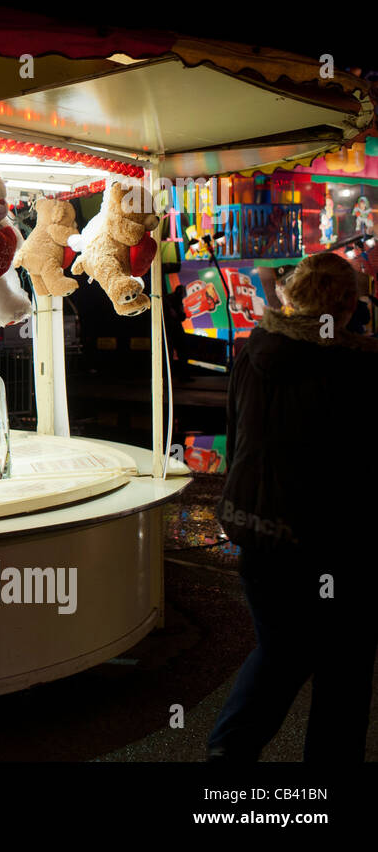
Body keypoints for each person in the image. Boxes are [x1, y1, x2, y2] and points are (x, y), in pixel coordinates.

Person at [207, 253, 378, 761]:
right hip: (334, 539)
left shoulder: (255, 349)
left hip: (257, 528)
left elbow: (239, 438)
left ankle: (230, 749)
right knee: (343, 664)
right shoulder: (357, 366)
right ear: (347, 304)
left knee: (282, 648)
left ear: (292, 295)